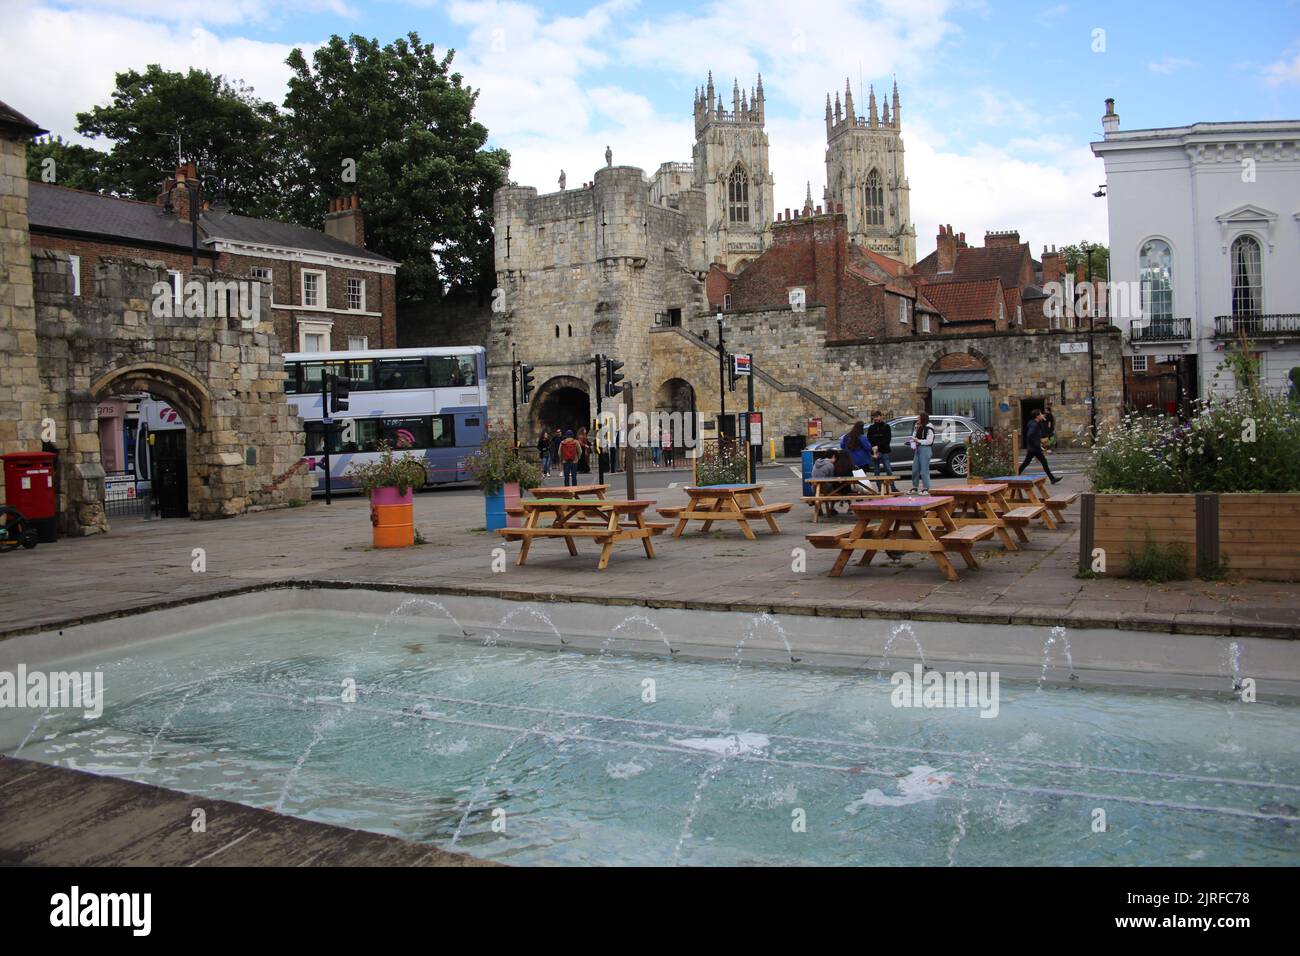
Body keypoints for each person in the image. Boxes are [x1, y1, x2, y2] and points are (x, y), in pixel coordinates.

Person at [1019, 409, 1062, 484]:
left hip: (1033, 448)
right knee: (1042, 462)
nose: (1042, 415)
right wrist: (1037, 444)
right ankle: (1052, 479)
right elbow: (1030, 435)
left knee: (1028, 462)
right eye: (1041, 414)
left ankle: (1052, 479)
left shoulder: (1033, 422)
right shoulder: (1034, 425)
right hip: (1034, 448)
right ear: (1037, 416)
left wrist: (1044, 419)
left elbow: (1042, 427)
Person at [907, 414, 935, 494]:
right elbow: (914, 436)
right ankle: (914, 487)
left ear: (923, 419)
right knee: (915, 469)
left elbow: (929, 441)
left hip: (926, 449)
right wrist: (913, 438)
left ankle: (926, 488)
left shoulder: (929, 428)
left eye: (919, 418)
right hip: (918, 449)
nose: (917, 419)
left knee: (924, 470)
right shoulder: (918, 426)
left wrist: (918, 441)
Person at [866, 411, 894, 476]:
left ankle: (892, 486)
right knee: (876, 471)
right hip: (875, 451)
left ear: (881, 417)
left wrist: (878, 446)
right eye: (874, 417)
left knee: (888, 468)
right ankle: (879, 486)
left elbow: (887, 440)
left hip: (884, 451)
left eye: (877, 417)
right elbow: (869, 439)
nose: (875, 418)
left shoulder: (886, 426)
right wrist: (873, 449)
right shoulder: (871, 427)